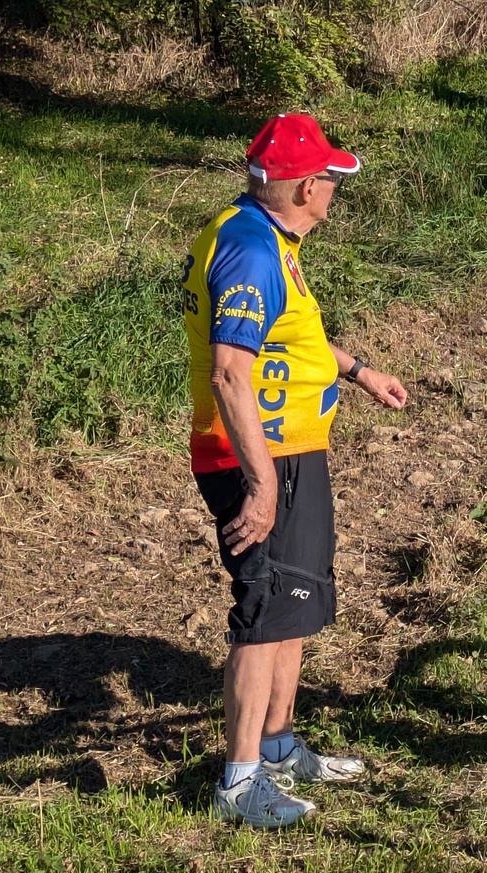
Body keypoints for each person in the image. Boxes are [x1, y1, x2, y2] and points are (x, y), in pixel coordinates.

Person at [182, 112, 408, 828]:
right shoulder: (250, 252)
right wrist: (261, 483)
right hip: (260, 458)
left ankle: (278, 745)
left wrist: (359, 371)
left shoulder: (265, 236)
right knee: (264, 609)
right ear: (308, 187)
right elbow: (229, 373)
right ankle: (240, 781)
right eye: (331, 179)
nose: (335, 191)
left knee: (293, 602)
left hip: (293, 450)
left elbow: (293, 335)